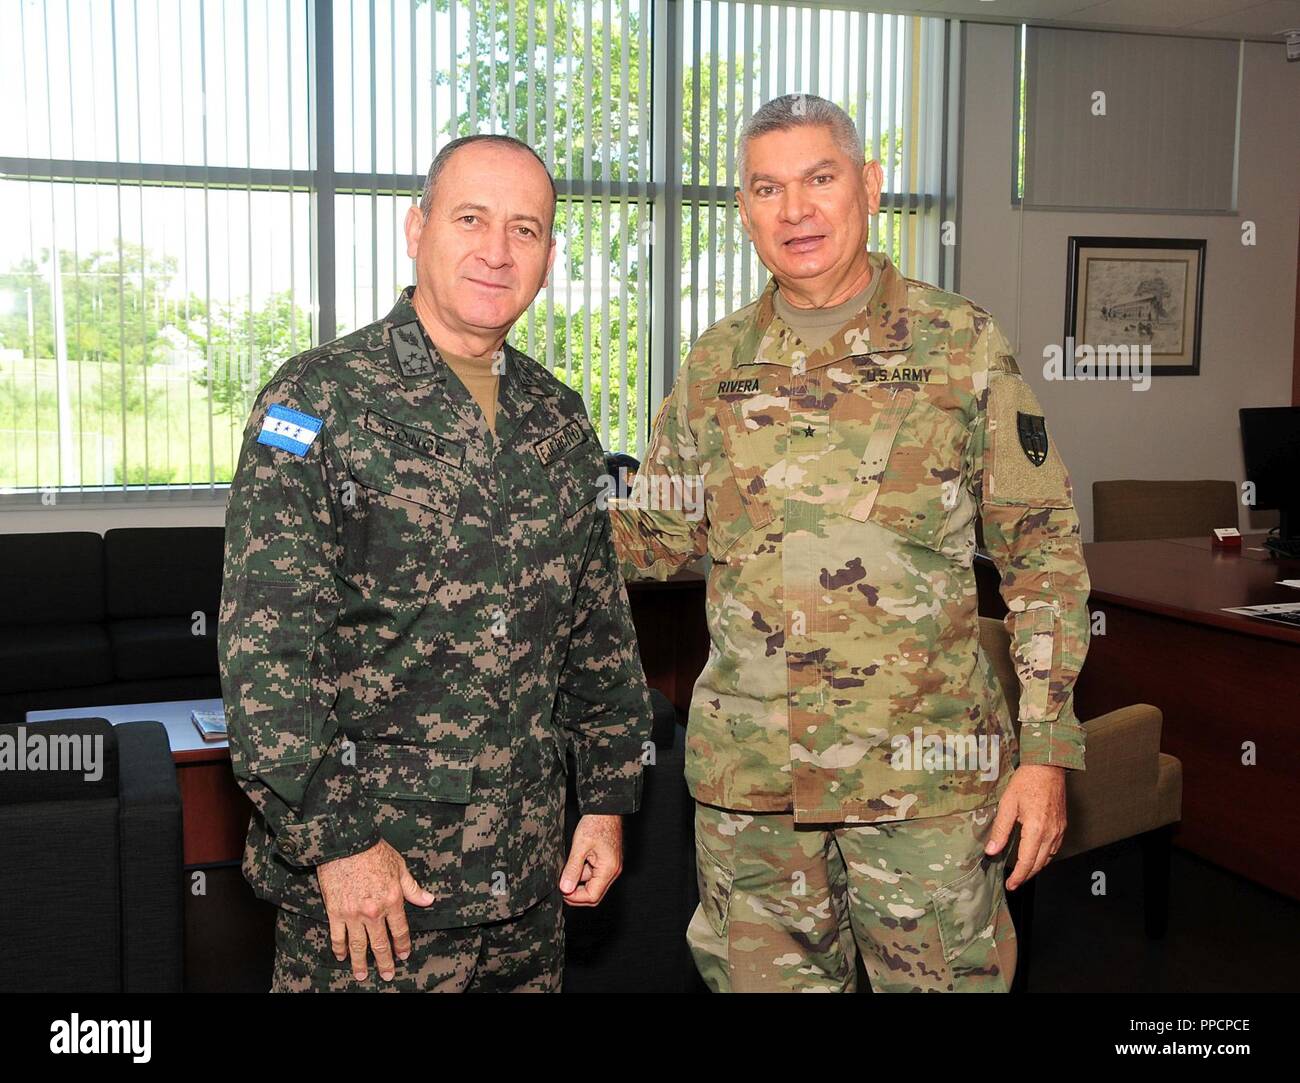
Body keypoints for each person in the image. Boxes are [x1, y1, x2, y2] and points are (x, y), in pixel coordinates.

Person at [609, 94, 1092, 992]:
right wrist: (518, 515)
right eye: (766, 188)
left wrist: (1047, 749)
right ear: (744, 210)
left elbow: (1044, 550)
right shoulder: (714, 365)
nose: (795, 210)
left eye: (819, 179)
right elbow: (659, 532)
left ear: (868, 185)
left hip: (928, 784)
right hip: (753, 792)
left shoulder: (962, 345)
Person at [218, 134, 653, 993]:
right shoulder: (316, 400)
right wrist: (337, 843)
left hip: (527, 889)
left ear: (549, 255)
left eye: (525, 230)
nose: (497, 250)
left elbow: (597, 635)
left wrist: (605, 800)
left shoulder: (558, 422)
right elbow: (266, 660)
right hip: (375, 896)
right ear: (416, 228)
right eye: (471, 219)